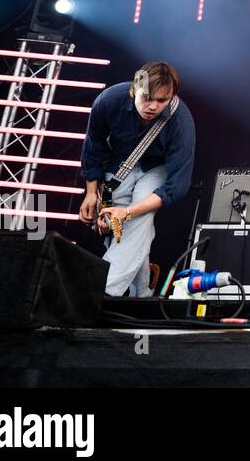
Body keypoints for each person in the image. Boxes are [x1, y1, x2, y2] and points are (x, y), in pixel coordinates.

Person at [78, 61, 195, 296]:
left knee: (138, 219)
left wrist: (130, 212)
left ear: (171, 96)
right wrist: (91, 192)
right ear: (135, 89)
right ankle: (142, 288)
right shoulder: (109, 101)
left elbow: (177, 185)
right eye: (147, 97)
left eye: (162, 101)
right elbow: (93, 145)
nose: (153, 106)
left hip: (157, 169)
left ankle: (102, 290)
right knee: (112, 224)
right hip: (117, 165)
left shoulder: (180, 122)